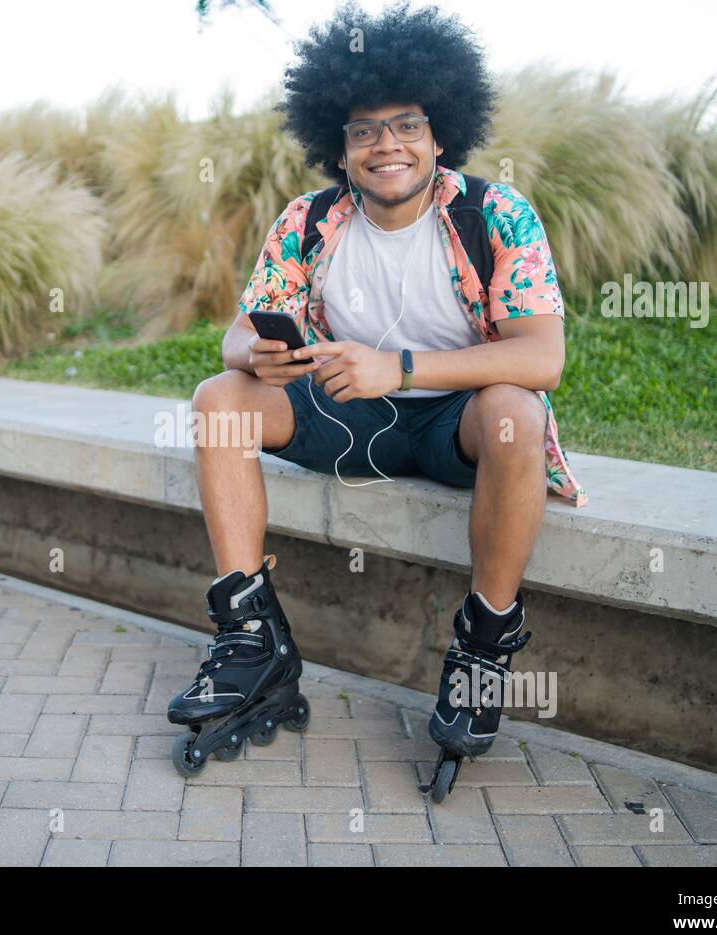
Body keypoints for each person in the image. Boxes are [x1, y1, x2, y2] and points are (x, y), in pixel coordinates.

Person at [166, 1, 584, 796]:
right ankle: (252, 638)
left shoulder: (493, 213)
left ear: (439, 135)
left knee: (515, 411)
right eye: (364, 130)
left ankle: (482, 647)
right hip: (341, 407)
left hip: (448, 421)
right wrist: (255, 352)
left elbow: (543, 356)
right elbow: (233, 336)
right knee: (219, 394)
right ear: (340, 146)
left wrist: (400, 365)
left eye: (406, 126)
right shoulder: (309, 219)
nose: (386, 144)